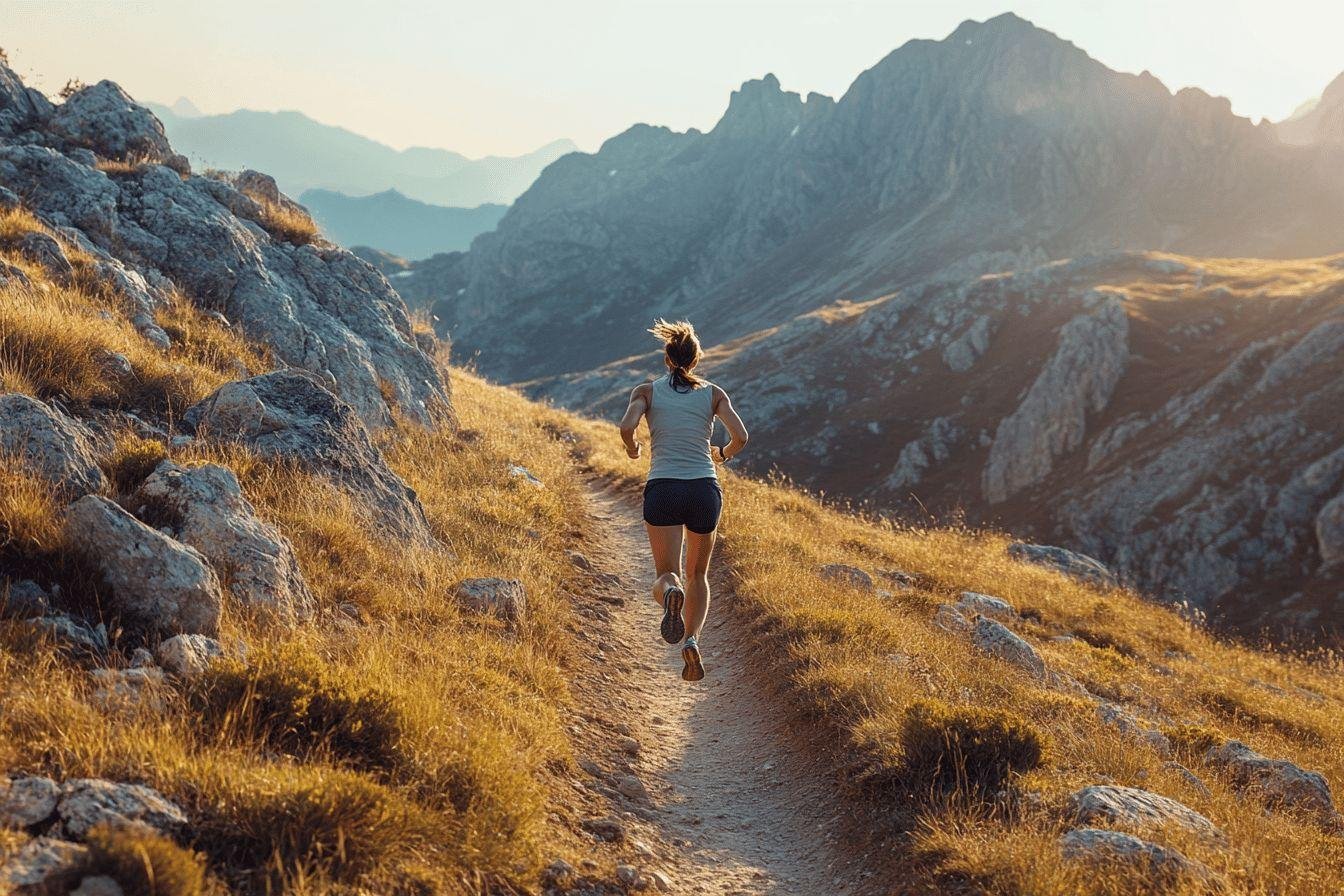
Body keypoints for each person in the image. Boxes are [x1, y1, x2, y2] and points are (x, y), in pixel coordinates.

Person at [619, 319, 748, 681]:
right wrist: (721, 455)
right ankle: (691, 640)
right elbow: (741, 436)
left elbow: (626, 427)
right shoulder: (713, 393)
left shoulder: (646, 391)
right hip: (704, 489)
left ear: (667, 358)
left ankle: (670, 592)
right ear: (695, 359)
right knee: (699, 574)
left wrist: (632, 449)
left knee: (666, 574)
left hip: (664, 487)